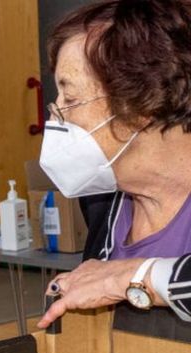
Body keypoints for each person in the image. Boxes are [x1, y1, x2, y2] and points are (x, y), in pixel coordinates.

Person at [35, 0, 191, 326]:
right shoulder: (101, 202)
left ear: (142, 104)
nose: (55, 116)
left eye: (71, 100)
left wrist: (134, 276)